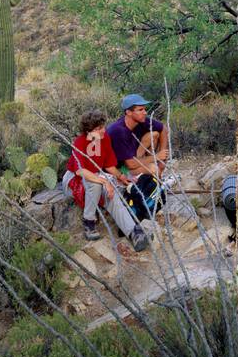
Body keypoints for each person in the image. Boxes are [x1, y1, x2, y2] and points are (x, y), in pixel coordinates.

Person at [64, 111, 149, 250]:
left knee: (112, 194)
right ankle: (89, 222)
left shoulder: (105, 139)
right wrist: (105, 182)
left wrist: (121, 177)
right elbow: (80, 171)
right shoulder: (79, 142)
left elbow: (109, 165)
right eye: (98, 129)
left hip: (95, 176)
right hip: (74, 178)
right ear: (88, 131)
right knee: (97, 184)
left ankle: (134, 233)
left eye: (102, 126)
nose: (103, 130)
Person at [106, 94, 169, 221]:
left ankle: (151, 181)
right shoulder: (118, 131)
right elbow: (130, 164)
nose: (145, 112)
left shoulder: (140, 121)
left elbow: (163, 129)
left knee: (154, 134)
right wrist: (156, 157)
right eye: (140, 110)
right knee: (152, 168)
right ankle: (145, 191)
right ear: (128, 112)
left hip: (133, 157)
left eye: (144, 109)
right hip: (121, 168)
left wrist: (162, 160)